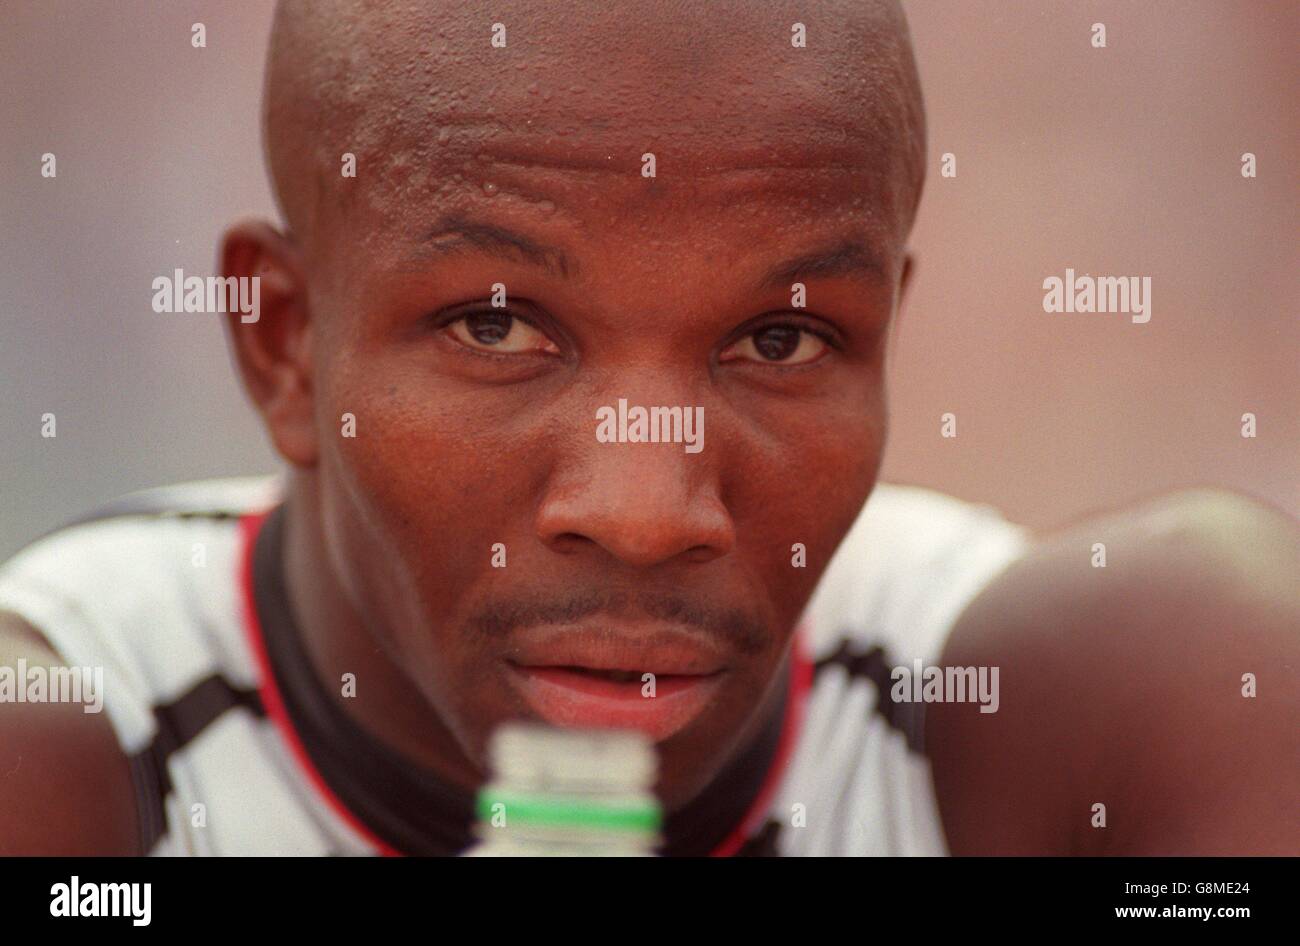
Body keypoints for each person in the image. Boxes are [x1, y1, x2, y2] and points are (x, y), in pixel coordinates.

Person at [0, 0, 1295, 856]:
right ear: (287, 343)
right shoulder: (62, 753)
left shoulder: (1122, 718)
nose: (647, 510)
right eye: (499, 328)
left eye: (778, 341)